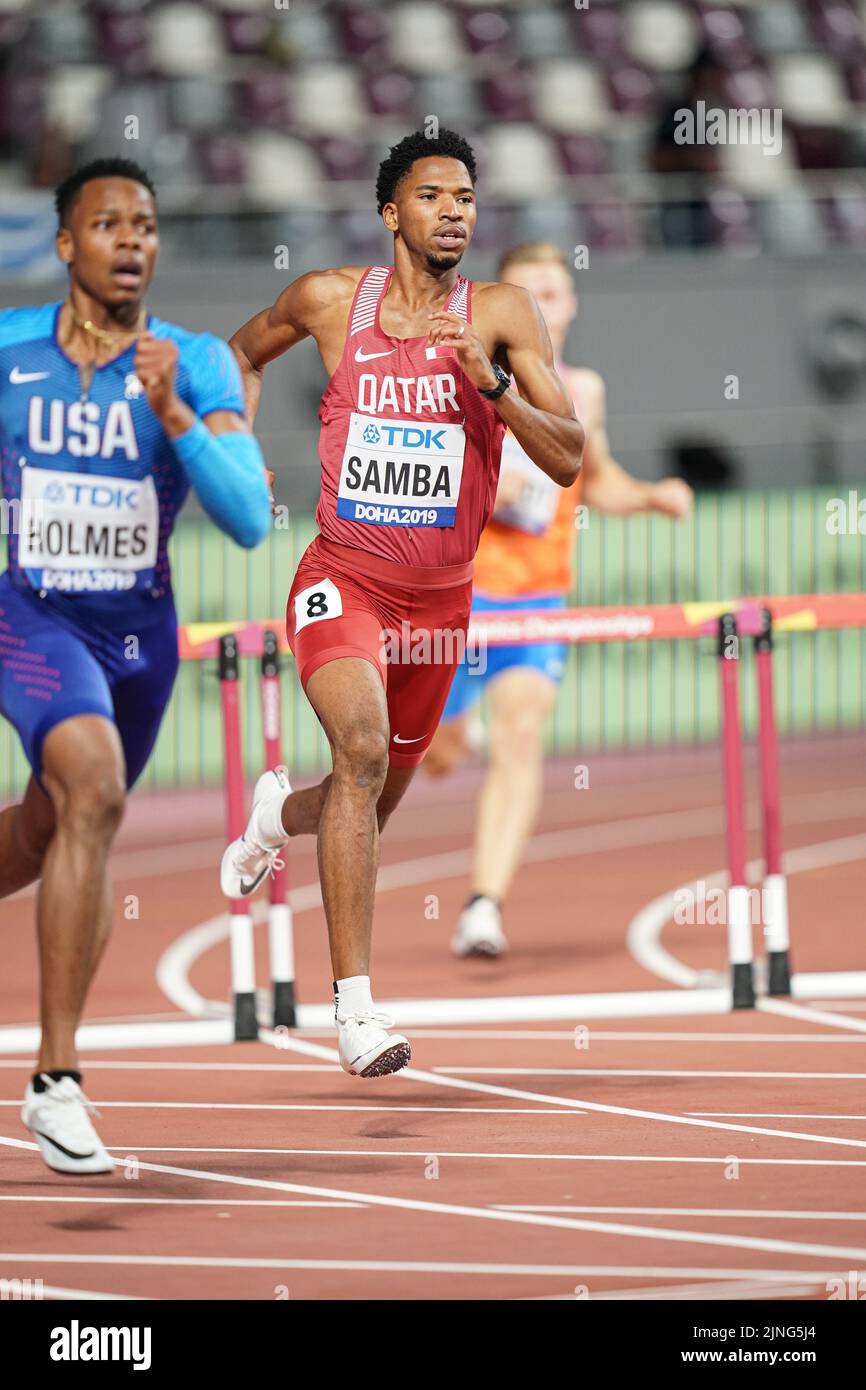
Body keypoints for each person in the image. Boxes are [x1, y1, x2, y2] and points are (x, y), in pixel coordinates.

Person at [221, 130, 584, 1077]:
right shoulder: (332, 300)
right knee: (361, 750)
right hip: (343, 578)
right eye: (432, 197)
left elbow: (567, 456)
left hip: (442, 607)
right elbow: (237, 359)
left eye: (465, 196)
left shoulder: (502, 314)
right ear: (392, 213)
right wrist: (237, 451)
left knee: (367, 803)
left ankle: (271, 822)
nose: (454, 210)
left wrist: (493, 385)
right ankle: (354, 1014)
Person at [0, 157, 272, 1174]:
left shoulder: (193, 362)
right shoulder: (9, 352)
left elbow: (247, 520)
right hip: (30, 616)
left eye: (146, 225)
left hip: (140, 644)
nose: (131, 241)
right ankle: (55, 1083)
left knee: (44, 831)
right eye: (108, 224)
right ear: (66, 244)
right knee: (98, 789)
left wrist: (172, 415)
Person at [423, 241, 694, 957]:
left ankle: (483, 906)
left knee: (520, 740)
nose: (544, 305)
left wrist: (649, 498)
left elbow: (593, 479)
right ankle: (456, 730)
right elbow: (406, 487)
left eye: (555, 291)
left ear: (572, 306)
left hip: (536, 600)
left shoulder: (586, 389)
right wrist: (474, 488)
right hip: (453, 601)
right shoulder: (455, 375)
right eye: (527, 292)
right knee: (437, 756)